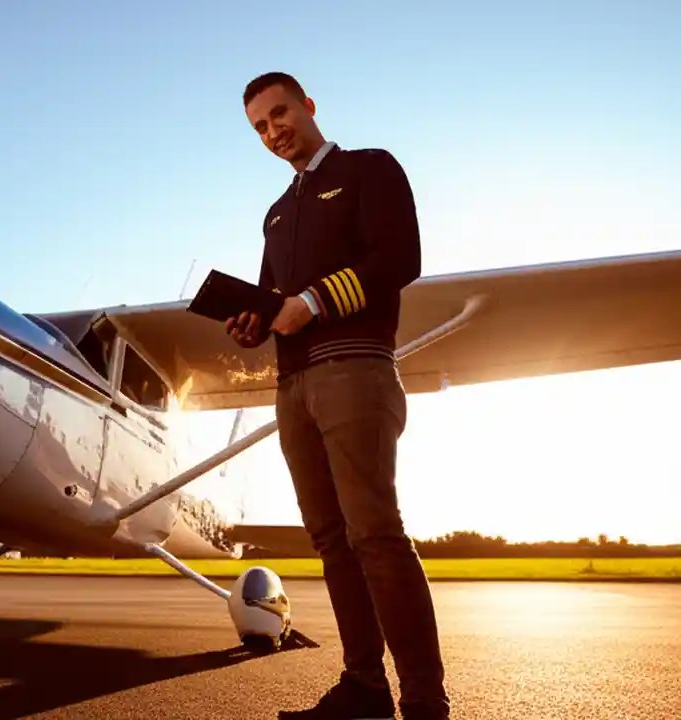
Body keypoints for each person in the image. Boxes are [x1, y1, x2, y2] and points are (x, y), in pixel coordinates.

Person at [227, 71, 450, 720]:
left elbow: (399, 257)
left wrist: (316, 302)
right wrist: (254, 322)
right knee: (330, 540)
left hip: (353, 368)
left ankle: (425, 702)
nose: (273, 132)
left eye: (280, 115)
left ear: (308, 106)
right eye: (260, 127)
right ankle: (364, 688)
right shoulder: (274, 214)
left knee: (375, 534)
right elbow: (276, 305)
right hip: (291, 386)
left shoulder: (367, 169)